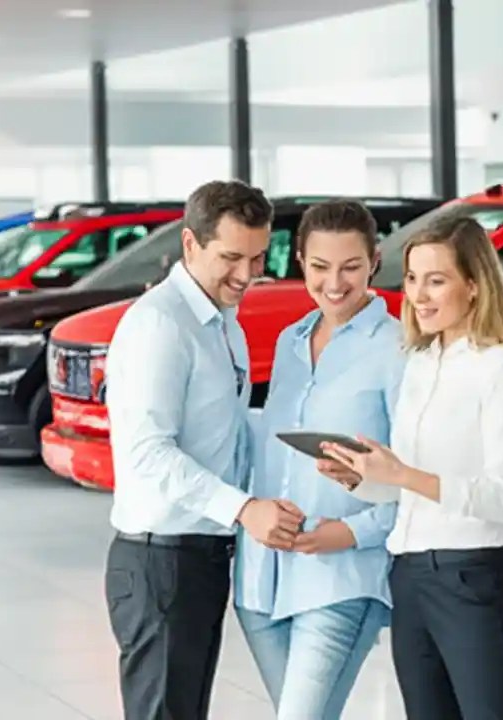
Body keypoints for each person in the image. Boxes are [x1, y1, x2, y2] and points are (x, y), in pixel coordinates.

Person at [321, 213, 503, 720]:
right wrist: (368, 478)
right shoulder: (420, 363)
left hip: (472, 578)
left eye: (436, 280)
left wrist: (402, 475)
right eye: (412, 279)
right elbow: (409, 488)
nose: (419, 295)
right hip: (410, 574)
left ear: (474, 286)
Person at [103, 180, 307, 720]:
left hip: (198, 557)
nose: (247, 274)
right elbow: (149, 453)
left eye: (259, 257)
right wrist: (243, 508)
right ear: (191, 245)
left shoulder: (221, 321)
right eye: (231, 257)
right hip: (161, 562)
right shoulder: (161, 325)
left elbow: (227, 431)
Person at [233, 199, 403, 720]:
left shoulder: (397, 348)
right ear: (300, 260)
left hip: (340, 576)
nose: (335, 283)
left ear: (374, 260)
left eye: (351, 267)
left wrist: (350, 533)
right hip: (261, 579)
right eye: (321, 267)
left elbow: (412, 477)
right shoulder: (290, 341)